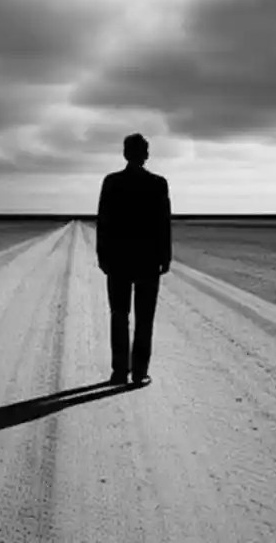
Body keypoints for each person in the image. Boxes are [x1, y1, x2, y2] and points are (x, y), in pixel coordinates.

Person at [96, 133, 172, 387]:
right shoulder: (158, 183)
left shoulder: (112, 182)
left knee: (119, 315)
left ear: (125, 154)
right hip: (147, 260)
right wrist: (165, 257)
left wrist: (102, 255)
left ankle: (120, 372)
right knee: (144, 319)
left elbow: (103, 222)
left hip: (118, 259)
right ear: (146, 155)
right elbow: (164, 224)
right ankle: (139, 372)